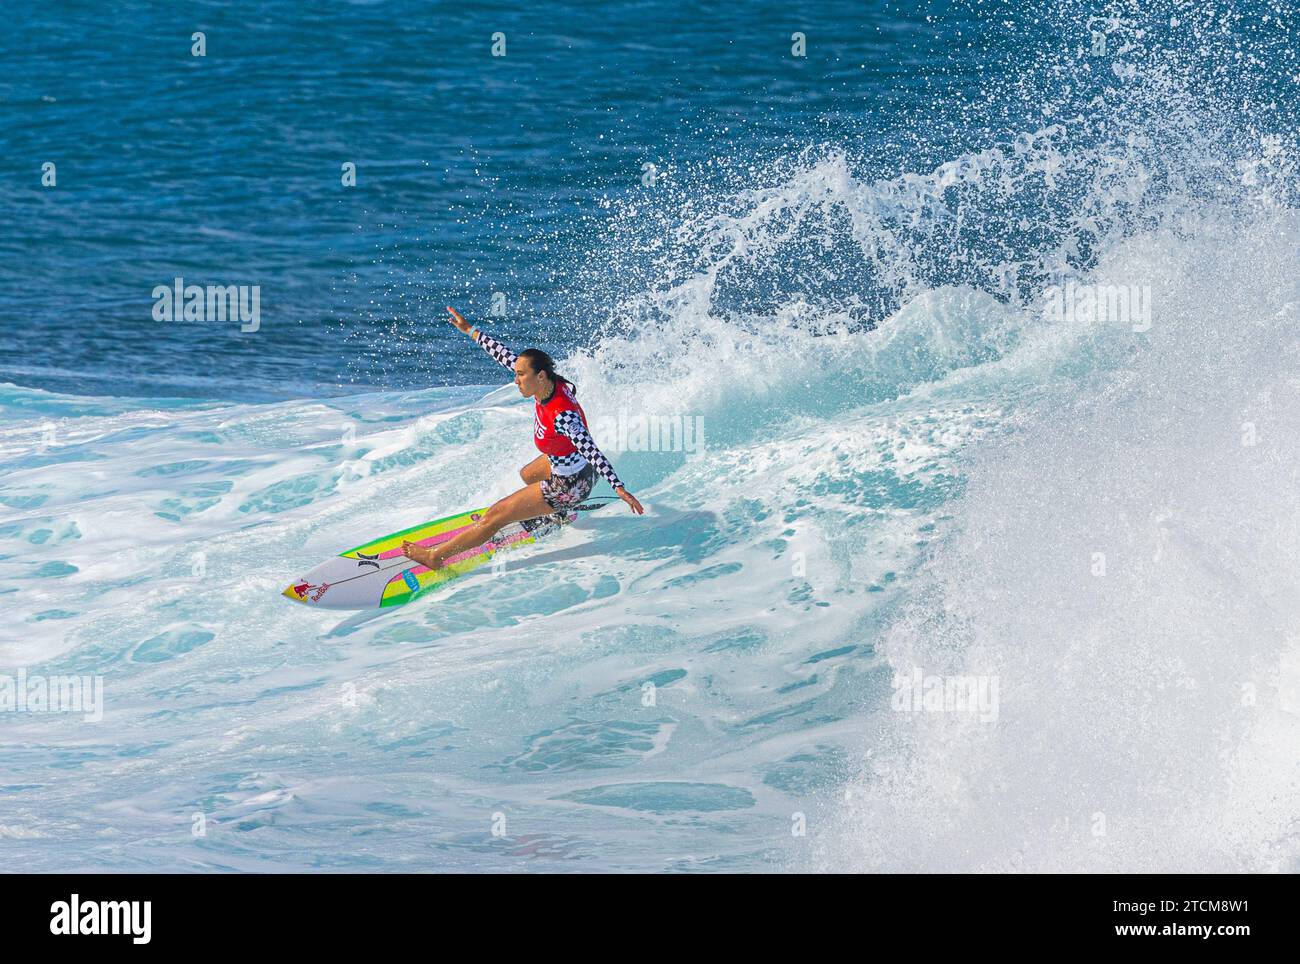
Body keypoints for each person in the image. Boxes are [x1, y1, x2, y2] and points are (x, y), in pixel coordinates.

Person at [401, 307, 644, 571]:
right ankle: (553, 515)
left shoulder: (562, 414)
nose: (515, 380)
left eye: (520, 375)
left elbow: (591, 451)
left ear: (539, 376)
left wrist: (619, 488)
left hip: (570, 484)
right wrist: (469, 330)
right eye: (516, 373)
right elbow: (503, 355)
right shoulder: (548, 384)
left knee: (495, 516)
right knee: (528, 474)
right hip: (568, 466)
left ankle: (435, 557)